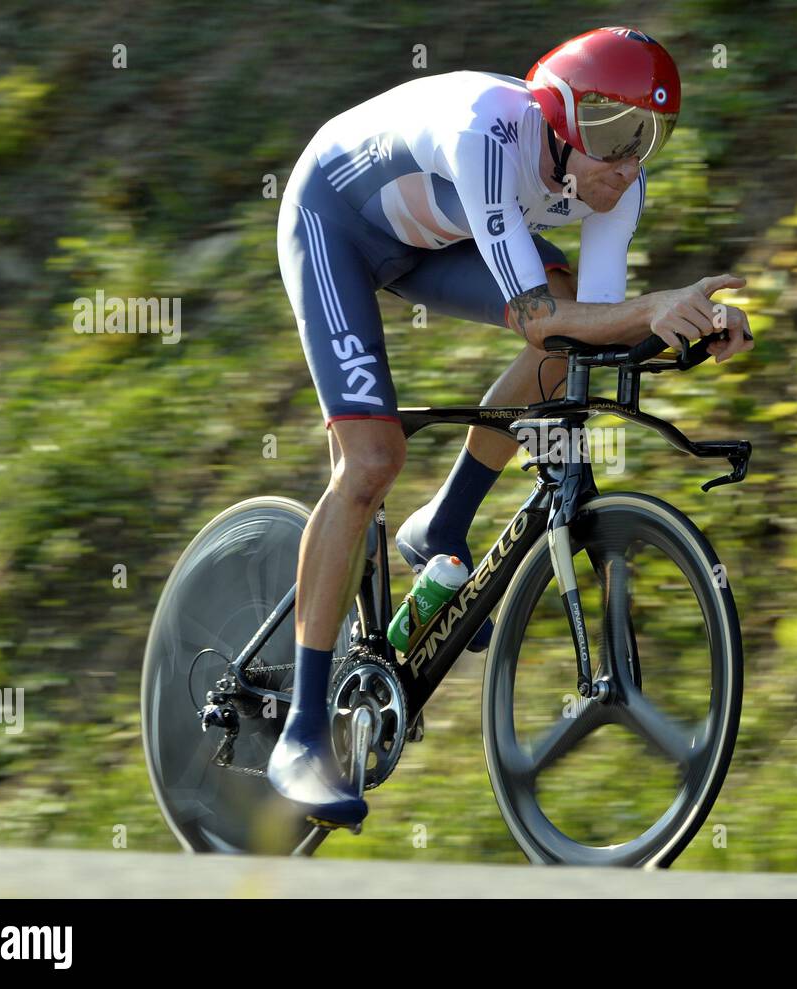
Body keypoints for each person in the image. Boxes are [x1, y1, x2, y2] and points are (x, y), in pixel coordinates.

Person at [270, 26, 755, 827]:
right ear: (559, 121)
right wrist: (648, 307)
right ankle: (300, 730)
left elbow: (589, 326)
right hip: (336, 220)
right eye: (610, 137)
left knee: (575, 348)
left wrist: (695, 321)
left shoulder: (619, 185)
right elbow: (538, 319)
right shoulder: (489, 132)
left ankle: (444, 524)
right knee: (371, 459)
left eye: (649, 140)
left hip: (433, 238)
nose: (628, 164)